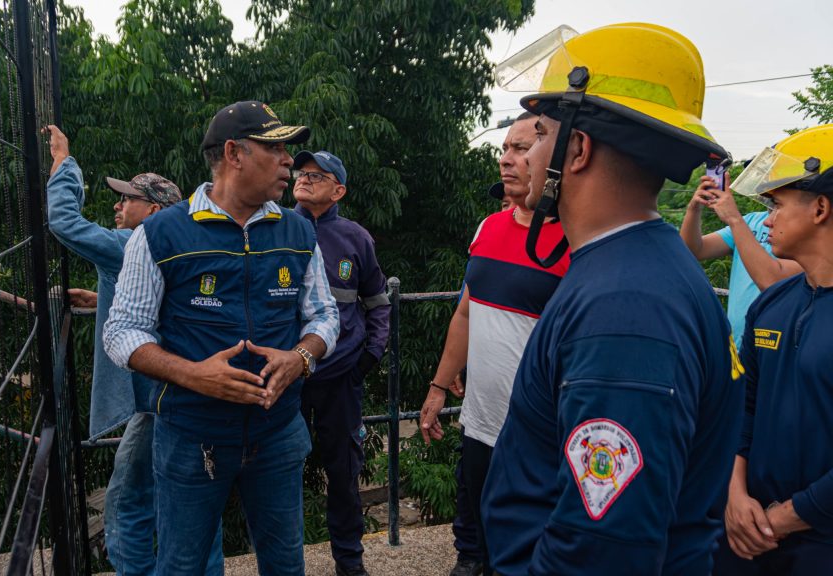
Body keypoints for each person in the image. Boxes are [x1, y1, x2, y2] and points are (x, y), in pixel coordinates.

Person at [482, 23, 742, 575]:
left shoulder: (625, 309)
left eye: (541, 136)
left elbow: (601, 555)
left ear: (576, 149)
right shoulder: (635, 268)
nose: (525, 157)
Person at [103, 100, 340, 575]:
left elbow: (325, 316)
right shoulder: (160, 234)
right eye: (275, 148)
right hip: (192, 440)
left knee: (286, 566)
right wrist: (194, 375)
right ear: (234, 153)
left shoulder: (297, 232)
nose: (289, 161)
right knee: (183, 566)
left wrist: (301, 357)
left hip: (278, 436)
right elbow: (121, 331)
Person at [44, 126, 223, 575]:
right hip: (182, 393)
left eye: (127, 199)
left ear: (155, 210)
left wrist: (65, 164)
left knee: (127, 501)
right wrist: (101, 296)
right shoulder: (186, 241)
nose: (117, 206)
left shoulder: (131, 243)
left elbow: (64, 223)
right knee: (193, 498)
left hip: (154, 400)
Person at [418, 112, 570, 576]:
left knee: (528, 540)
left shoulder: (575, 240)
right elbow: (467, 311)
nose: (506, 159)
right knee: (474, 534)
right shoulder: (488, 227)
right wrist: (439, 387)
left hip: (539, 429)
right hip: (481, 419)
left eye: (523, 148)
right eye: (505, 148)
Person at [713, 124, 833, 575]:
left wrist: (783, 520)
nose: (768, 220)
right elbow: (745, 408)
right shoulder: (773, 305)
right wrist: (734, 493)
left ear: (820, 207)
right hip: (745, 533)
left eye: (777, 205)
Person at [291, 150, 390, 576]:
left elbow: (378, 303)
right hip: (286, 377)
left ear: (339, 190)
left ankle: (350, 562)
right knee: (277, 473)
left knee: (343, 475)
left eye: (318, 175)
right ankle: (283, 562)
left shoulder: (356, 239)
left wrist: (367, 358)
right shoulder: (274, 227)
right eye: (302, 172)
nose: (306, 179)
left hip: (340, 379)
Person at [680, 170, 802, 349]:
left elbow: (772, 280)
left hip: (776, 346)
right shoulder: (752, 221)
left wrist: (733, 218)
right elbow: (693, 250)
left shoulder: (805, 232)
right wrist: (694, 208)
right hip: (737, 345)